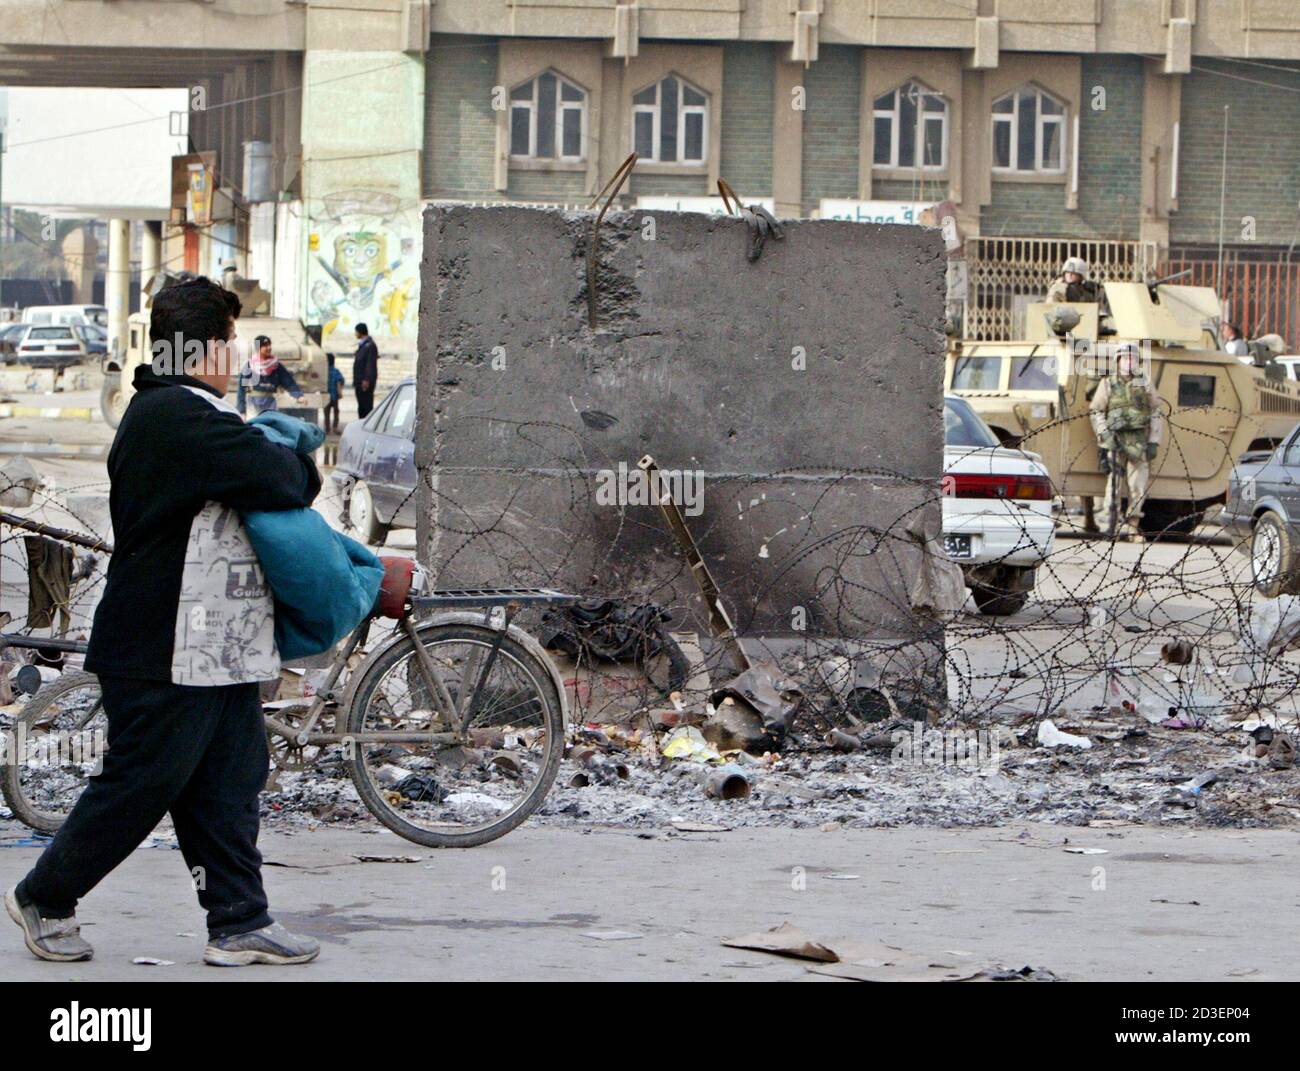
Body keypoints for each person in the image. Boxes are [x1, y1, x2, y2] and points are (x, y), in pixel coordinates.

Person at [5, 275, 322, 967]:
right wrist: (295, 456)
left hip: (215, 648)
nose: (237, 355)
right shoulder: (181, 418)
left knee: (229, 779)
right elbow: (288, 479)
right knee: (143, 782)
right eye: (231, 341)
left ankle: (239, 920)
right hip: (161, 644)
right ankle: (44, 894)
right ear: (201, 348)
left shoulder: (178, 414)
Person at [1089, 342, 1164, 541]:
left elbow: (1156, 411)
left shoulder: (1144, 383)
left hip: (1138, 441)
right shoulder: (1107, 384)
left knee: (1137, 486)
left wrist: (1154, 441)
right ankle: (1109, 527)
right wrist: (1104, 434)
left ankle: (1133, 527)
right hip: (1115, 440)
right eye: (1125, 358)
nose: (1129, 361)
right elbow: (1096, 411)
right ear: (1118, 360)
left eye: (1132, 358)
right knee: (1113, 486)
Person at [235, 334, 305, 417]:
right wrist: (241, 410)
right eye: (265, 346)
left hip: (270, 404)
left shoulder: (276, 365)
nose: (269, 348)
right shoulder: (249, 365)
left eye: (269, 345)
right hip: (253, 403)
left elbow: (288, 382)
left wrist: (298, 396)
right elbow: (241, 389)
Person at [353, 323, 379, 419]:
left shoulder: (370, 345)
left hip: (365, 382)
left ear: (360, 331)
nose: (355, 334)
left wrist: (366, 380)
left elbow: (370, 364)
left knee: (366, 406)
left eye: (356, 331)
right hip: (359, 381)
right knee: (361, 407)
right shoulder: (364, 345)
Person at [325, 352, 345, 435]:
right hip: (335, 396)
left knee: (326, 412)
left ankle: (327, 429)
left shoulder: (324, 371)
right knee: (336, 412)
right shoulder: (336, 371)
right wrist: (340, 391)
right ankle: (335, 428)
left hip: (326, 396)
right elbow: (341, 380)